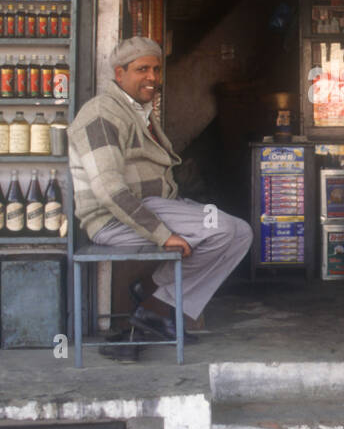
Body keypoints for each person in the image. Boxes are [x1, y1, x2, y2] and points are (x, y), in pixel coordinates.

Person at [68, 36, 252, 343]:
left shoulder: (137, 110)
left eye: (156, 69)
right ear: (119, 74)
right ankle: (155, 308)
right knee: (223, 229)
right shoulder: (101, 114)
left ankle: (154, 295)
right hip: (112, 220)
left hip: (156, 205)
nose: (152, 77)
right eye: (142, 69)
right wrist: (163, 235)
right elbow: (109, 189)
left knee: (241, 233)